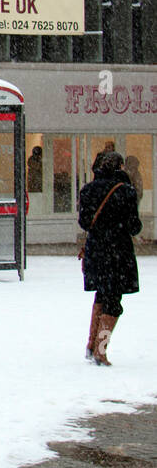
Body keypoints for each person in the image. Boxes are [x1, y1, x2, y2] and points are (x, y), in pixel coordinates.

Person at [78, 151, 141, 366]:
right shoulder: (126, 192)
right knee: (113, 302)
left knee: (101, 295)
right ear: (119, 167)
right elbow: (134, 226)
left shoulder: (87, 190)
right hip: (118, 252)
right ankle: (101, 351)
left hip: (96, 251)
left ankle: (91, 345)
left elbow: (85, 222)